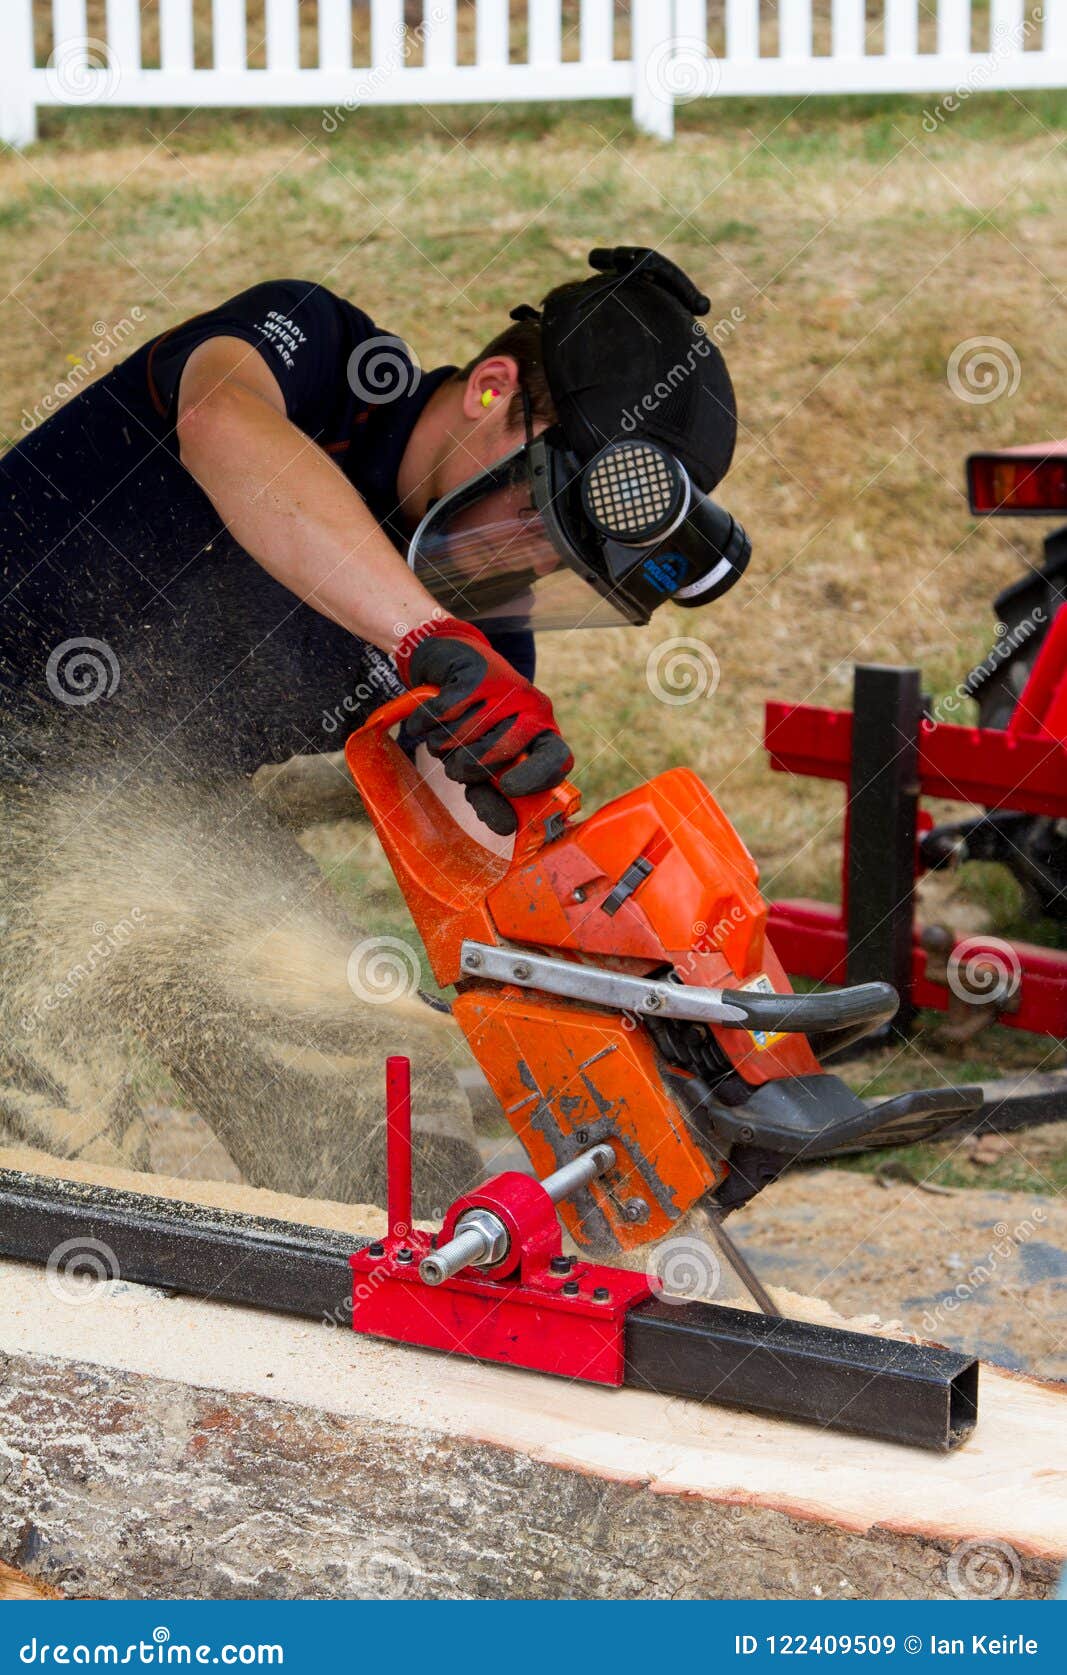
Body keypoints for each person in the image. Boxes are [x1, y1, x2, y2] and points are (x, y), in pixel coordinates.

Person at [0, 246, 746, 1205]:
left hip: (149, 814)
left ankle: (406, 1305)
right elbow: (219, 424)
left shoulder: (481, 615)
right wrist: (419, 635)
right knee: (60, 1116)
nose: (531, 560)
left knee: (374, 1078)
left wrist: (630, 999)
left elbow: (494, 858)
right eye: (536, 513)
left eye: (564, 558)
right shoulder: (321, 352)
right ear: (491, 390)